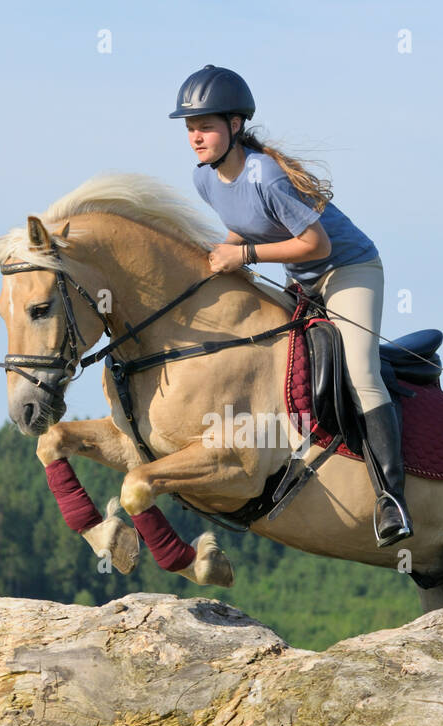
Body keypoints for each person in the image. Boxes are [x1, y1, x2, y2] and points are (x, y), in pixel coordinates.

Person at [170, 64, 413, 548]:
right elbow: (244, 224)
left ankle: (392, 499)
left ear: (235, 125)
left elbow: (317, 244)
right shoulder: (205, 180)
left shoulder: (266, 174)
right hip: (301, 278)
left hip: (347, 269)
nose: (195, 137)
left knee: (360, 373)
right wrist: (217, 254)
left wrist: (244, 255)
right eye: (190, 128)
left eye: (205, 127)